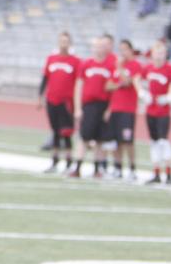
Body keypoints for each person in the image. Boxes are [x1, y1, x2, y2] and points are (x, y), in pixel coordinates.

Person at [137, 40, 171, 185]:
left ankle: (168, 173)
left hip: (163, 111)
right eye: (156, 53)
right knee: (154, 142)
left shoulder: (170, 69)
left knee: (164, 141)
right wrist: (141, 92)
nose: (158, 56)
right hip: (151, 110)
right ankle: (156, 172)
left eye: (161, 53)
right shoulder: (149, 68)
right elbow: (136, 78)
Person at [70, 34, 115, 178]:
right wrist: (77, 107)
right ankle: (77, 167)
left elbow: (113, 89)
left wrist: (110, 108)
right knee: (84, 137)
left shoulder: (110, 65)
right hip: (89, 105)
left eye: (101, 47)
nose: (99, 49)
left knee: (100, 139)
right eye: (96, 47)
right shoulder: (86, 64)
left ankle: (97, 168)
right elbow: (79, 86)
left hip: (103, 104)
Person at [38, 31, 81, 173]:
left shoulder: (75, 61)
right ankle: (54, 161)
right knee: (55, 131)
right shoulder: (51, 59)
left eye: (66, 41)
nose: (64, 44)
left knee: (67, 132)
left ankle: (69, 162)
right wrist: (40, 96)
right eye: (61, 41)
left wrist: (77, 104)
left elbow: (79, 83)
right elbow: (45, 78)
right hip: (52, 100)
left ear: (70, 43)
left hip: (67, 102)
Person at [106, 39, 141, 180]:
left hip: (128, 109)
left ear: (131, 50)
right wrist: (119, 83)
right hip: (115, 108)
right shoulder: (115, 67)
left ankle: (132, 168)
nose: (122, 53)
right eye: (120, 50)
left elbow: (127, 82)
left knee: (127, 141)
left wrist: (120, 69)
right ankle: (118, 167)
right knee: (115, 141)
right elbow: (108, 86)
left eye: (125, 49)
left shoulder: (134, 65)